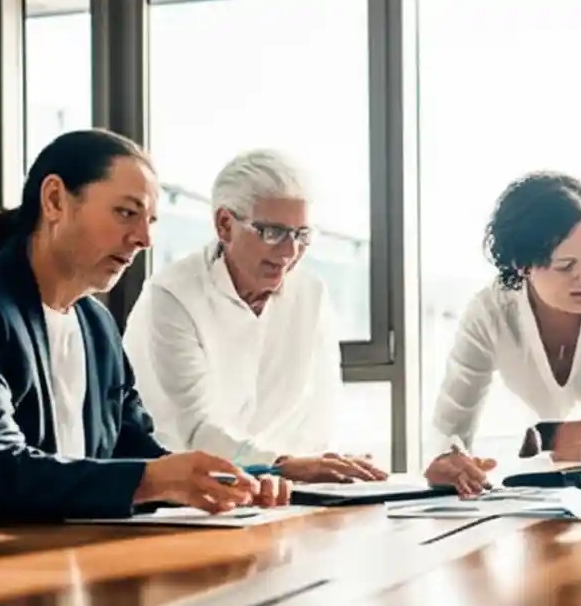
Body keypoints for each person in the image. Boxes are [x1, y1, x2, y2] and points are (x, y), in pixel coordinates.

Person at [0, 129, 287, 538]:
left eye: (150, 221)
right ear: (55, 200)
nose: (144, 239)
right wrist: (155, 479)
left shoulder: (97, 327)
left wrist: (241, 481)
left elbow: (133, 451)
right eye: (126, 212)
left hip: (63, 561)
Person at [123, 149, 386, 484]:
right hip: (186, 496)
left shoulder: (310, 294)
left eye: (301, 235)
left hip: (286, 493)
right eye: (273, 232)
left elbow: (321, 415)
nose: (289, 252)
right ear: (224, 225)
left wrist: (333, 473)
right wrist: (282, 465)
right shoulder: (172, 295)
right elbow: (196, 430)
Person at [425, 171, 581, 495]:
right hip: (568, 481)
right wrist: (449, 459)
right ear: (522, 265)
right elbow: (449, 426)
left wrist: (540, 439)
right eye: (566, 265)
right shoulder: (489, 314)